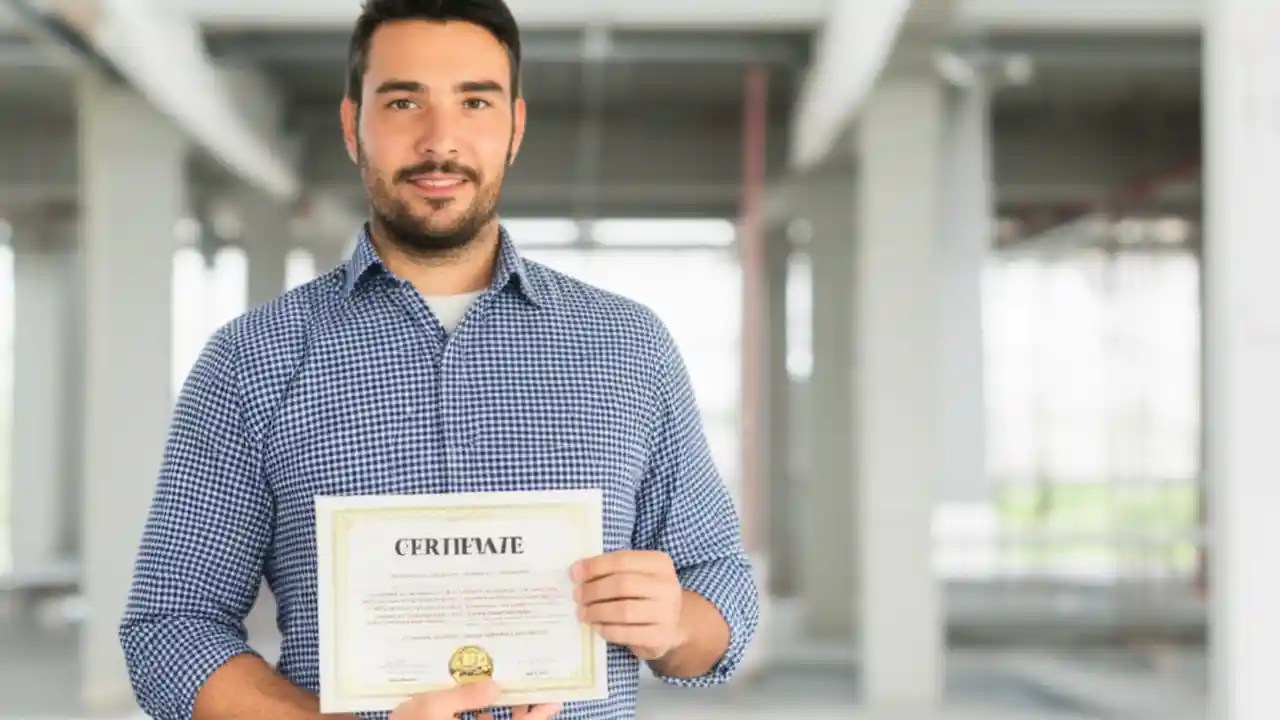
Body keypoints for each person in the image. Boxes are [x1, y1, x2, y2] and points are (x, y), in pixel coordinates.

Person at [118, 0, 759, 718]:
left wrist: (674, 624)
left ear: (514, 127)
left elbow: (722, 592)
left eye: (475, 102)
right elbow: (170, 630)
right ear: (352, 125)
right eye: (403, 102)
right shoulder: (251, 360)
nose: (439, 139)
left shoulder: (628, 347)